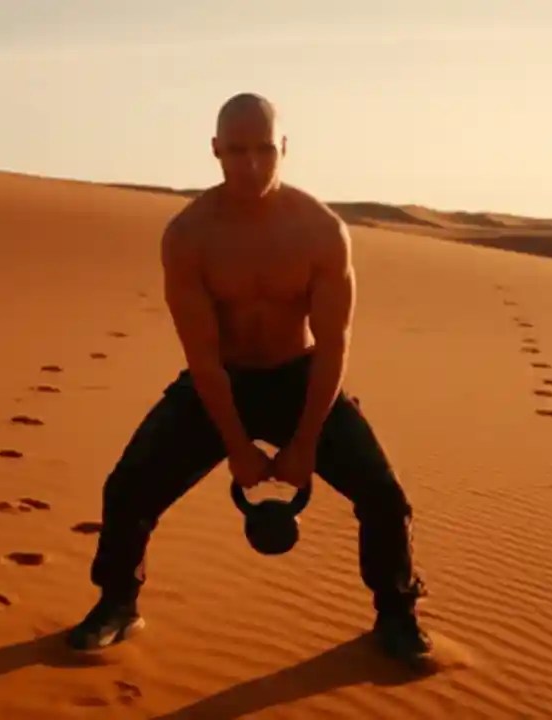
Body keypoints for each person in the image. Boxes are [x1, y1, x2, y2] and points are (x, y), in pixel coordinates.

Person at [65, 92, 432, 662]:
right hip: (223, 380)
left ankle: (397, 614)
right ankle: (117, 604)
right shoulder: (189, 236)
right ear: (215, 150)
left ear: (284, 148)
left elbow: (334, 345)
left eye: (265, 149)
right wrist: (236, 446)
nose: (253, 165)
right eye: (237, 151)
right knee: (128, 488)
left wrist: (306, 441)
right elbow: (203, 357)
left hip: (301, 378)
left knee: (385, 498)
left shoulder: (321, 232)